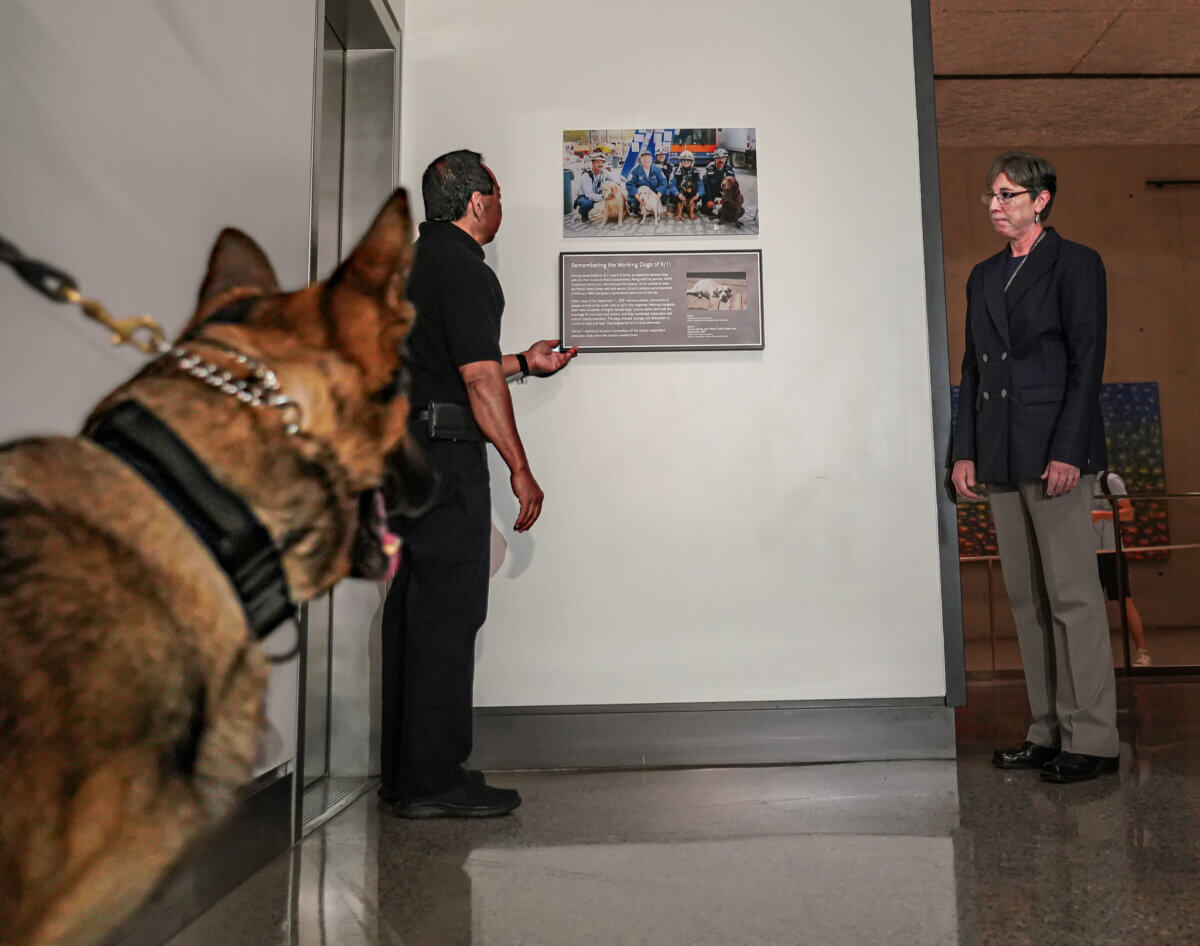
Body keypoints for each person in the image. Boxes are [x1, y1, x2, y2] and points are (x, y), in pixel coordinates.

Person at [380, 150, 578, 818]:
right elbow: (475, 378)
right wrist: (520, 468)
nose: (500, 207)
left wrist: (526, 359)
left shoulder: (410, 265)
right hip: (446, 462)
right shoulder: (466, 271)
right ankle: (436, 784)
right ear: (474, 203)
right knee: (448, 614)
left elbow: (458, 358)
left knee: (413, 612)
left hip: (404, 457)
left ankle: (407, 776)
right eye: (496, 195)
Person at [950, 150, 1120, 784]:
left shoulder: (1076, 264)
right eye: (991, 196)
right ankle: (1047, 731)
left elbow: (1087, 363)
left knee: (1074, 599)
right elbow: (972, 370)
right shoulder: (983, 275)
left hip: (1056, 455)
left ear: (1041, 199)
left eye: (1007, 196)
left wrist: (1069, 451)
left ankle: (1094, 740)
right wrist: (963, 450)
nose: (995, 206)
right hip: (999, 453)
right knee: (1027, 602)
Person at [1092, 470, 1151, 667]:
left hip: (1111, 551)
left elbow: (1128, 512)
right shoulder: (1078, 483)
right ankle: (1096, 657)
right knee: (1091, 605)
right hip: (1087, 553)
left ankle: (1143, 653)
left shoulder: (1109, 480)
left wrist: (1101, 514)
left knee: (1123, 600)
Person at [574, 151, 618, 223]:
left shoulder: (604, 172)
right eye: (598, 162)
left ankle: (607, 214)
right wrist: (604, 197)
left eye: (602, 162)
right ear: (593, 163)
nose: (600, 164)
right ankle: (583, 213)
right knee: (587, 203)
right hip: (585, 197)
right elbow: (589, 195)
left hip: (599, 194)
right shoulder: (586, 176)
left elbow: (615, 180)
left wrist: (615, 188)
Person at [625, 149, 669, 216]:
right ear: (641, 159)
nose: (646, 160)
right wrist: (638, 198)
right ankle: (637, 209)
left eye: (648, 158)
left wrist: (658, 196)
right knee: (632, 201)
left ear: (651, 159)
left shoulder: (657, 169)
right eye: (644, 158)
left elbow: (663, 182)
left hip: (654, 192)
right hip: (641, 194)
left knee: (666, 193)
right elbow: (630, 184)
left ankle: (654, 207)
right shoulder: (635, 170)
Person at [701, 148, 735, 217]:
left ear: (726, 158)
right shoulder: (709, 169)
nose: (721, 160)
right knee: (706, 210)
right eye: (718, 158)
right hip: (710, 195)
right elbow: (706, 186)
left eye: (723, 158)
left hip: (723, 196)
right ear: (714, 159)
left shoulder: (729, 170)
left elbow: (733, 187)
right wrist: (709, 200)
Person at [671, 150, 703, 219]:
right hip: (680, 195)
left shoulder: (696, 172)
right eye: (684, 160)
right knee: (676, 199)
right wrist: (677, 194)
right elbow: (672, 185)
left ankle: (691, 211)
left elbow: (701, 185)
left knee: (694, 198)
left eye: (688, 160)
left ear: (691, 162)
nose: (686, 162)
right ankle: (679, 212)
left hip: (692, 194)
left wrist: (698, 194)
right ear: (681, 161)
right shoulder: (676, 171)